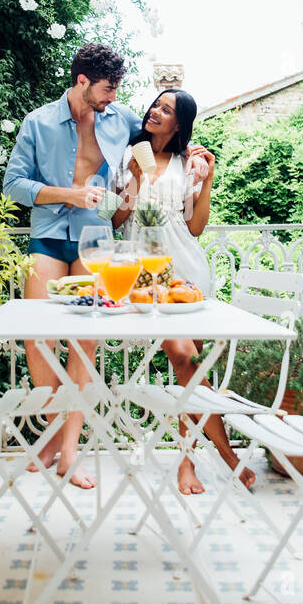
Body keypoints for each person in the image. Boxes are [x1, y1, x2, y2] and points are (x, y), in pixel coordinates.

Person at [2, 44, 207, 489]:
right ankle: (52, 431)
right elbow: (13, 184)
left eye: (116, 90)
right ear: (82, 83)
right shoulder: (38, 122)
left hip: (95, 240)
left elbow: (161, 138)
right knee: (38, 337)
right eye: (107, 89)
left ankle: (71, 449)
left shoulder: (123, 120)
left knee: (85, 340)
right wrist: (68, 194)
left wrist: (194, 154)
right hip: (50, 235)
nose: (113, 98)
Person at [112, 89, 255, 495]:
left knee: (188, 367)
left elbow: (195, 226)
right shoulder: (126, 157)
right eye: (156, 105)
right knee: (185, 357)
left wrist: (207, 180)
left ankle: (188, 461)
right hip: (142, 273)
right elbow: (118, 218)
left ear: (179, 123)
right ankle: (226, 454)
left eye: (167, 110)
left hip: (186, 271)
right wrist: (135, 183)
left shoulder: (184, 162)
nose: (155, 112)